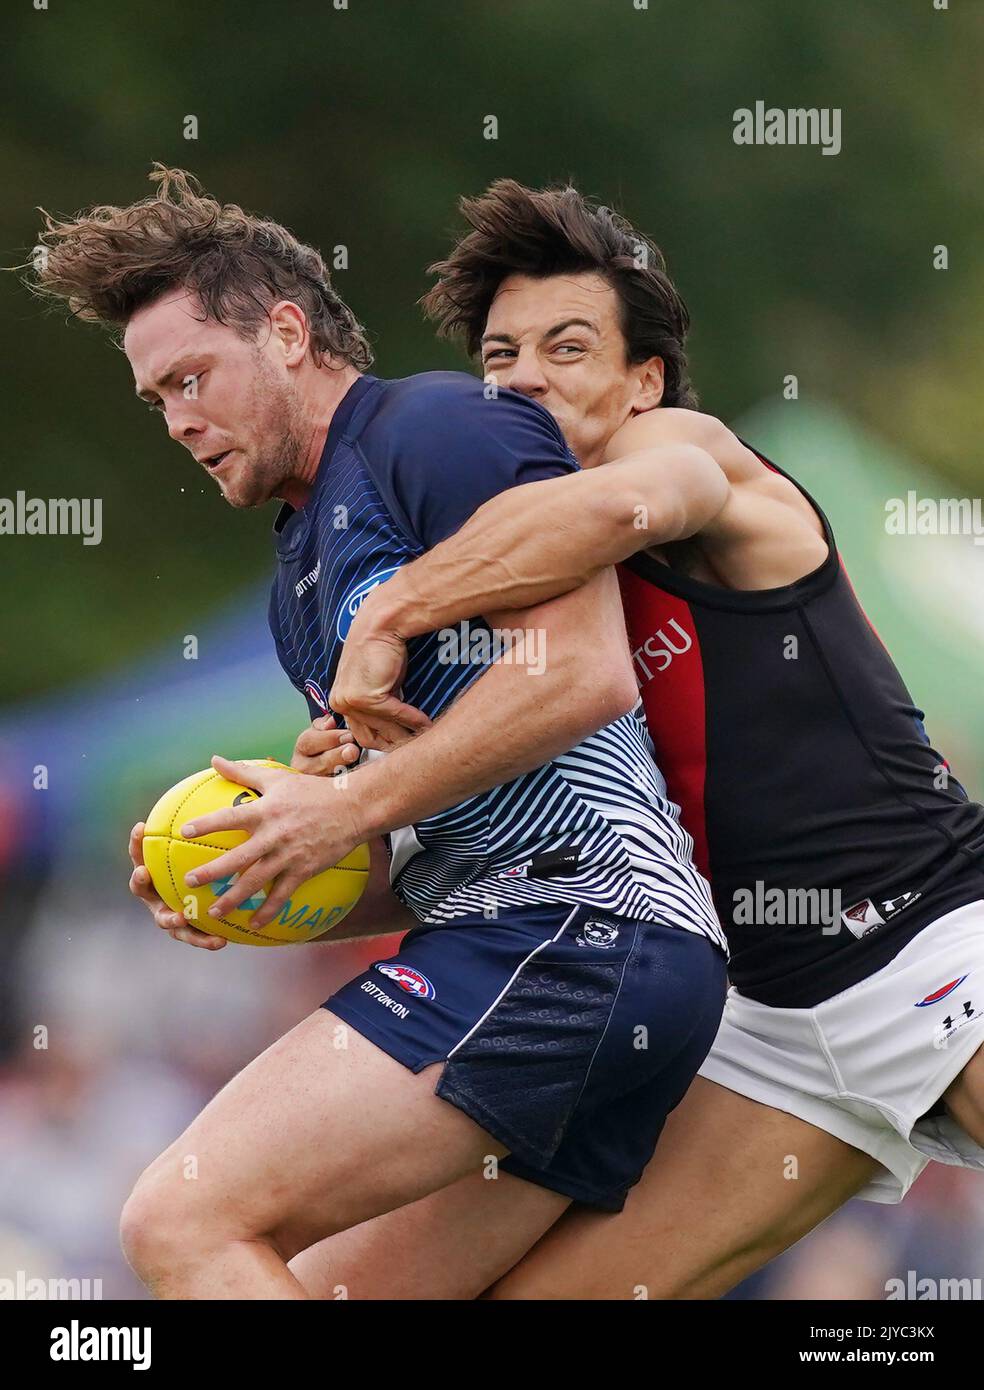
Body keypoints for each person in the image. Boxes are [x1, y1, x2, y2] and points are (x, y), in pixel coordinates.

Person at [28, 166, 726, 1298]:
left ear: (290, 333)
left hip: (581, 931)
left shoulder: (436, 426)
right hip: (537, 946)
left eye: (191, 377)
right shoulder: (296, 581)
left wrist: (344, 804)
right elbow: (428, 851)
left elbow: (588, 671)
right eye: (155, 398)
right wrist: (258, 873)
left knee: (181, 1218)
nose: (177, 419)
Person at [292, 179, 984, 1300]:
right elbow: (472, 863)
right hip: (764, 1028)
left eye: (569, 348)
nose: (524, 377)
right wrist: (286, 849)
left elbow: (620, 509)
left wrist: (389, 610)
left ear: (643, 379)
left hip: (931, 933)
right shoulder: (506, 597)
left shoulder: (681, 451)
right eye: (502, 355)